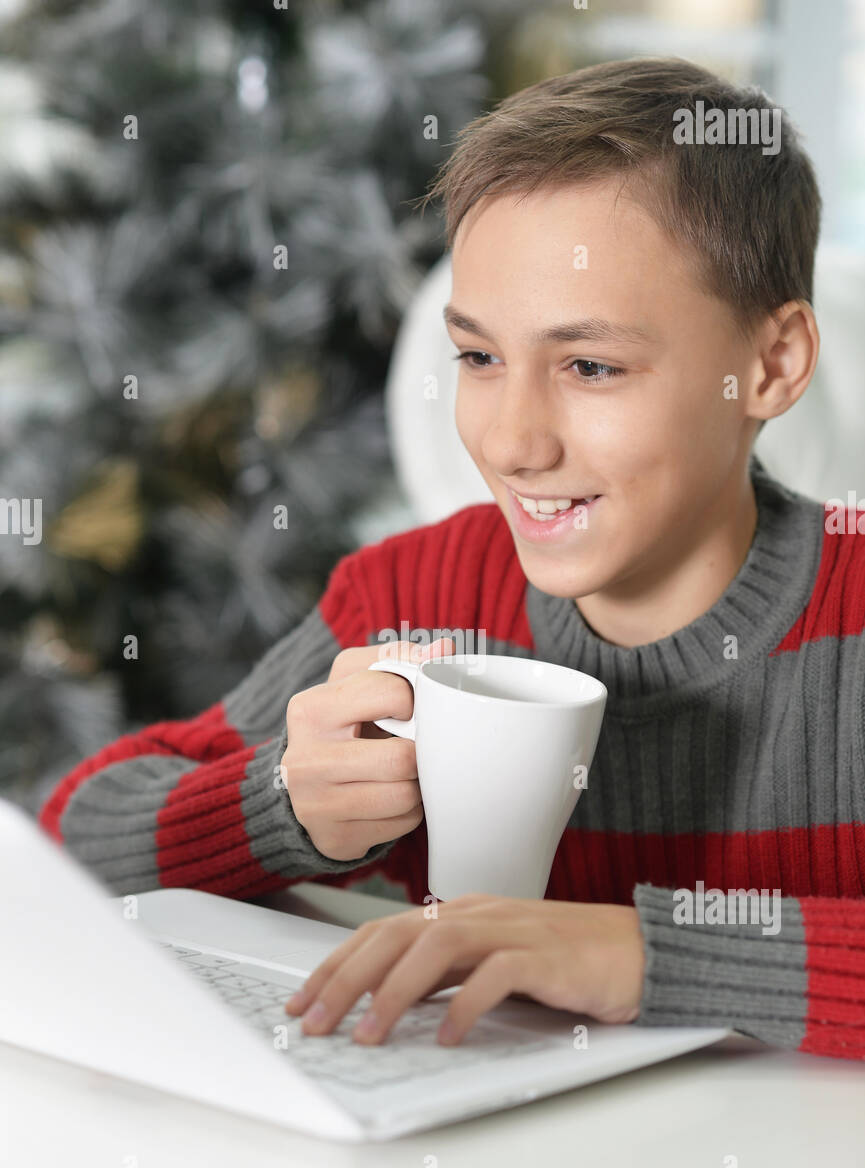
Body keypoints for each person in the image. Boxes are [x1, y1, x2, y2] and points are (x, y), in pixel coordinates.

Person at [40, 59, 865, 1059]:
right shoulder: (412, 597)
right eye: (477, 357)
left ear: (770, 365)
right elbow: (77, 832)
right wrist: (280, 804)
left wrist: (642, 955)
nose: (513, 442)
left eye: (590, 366)